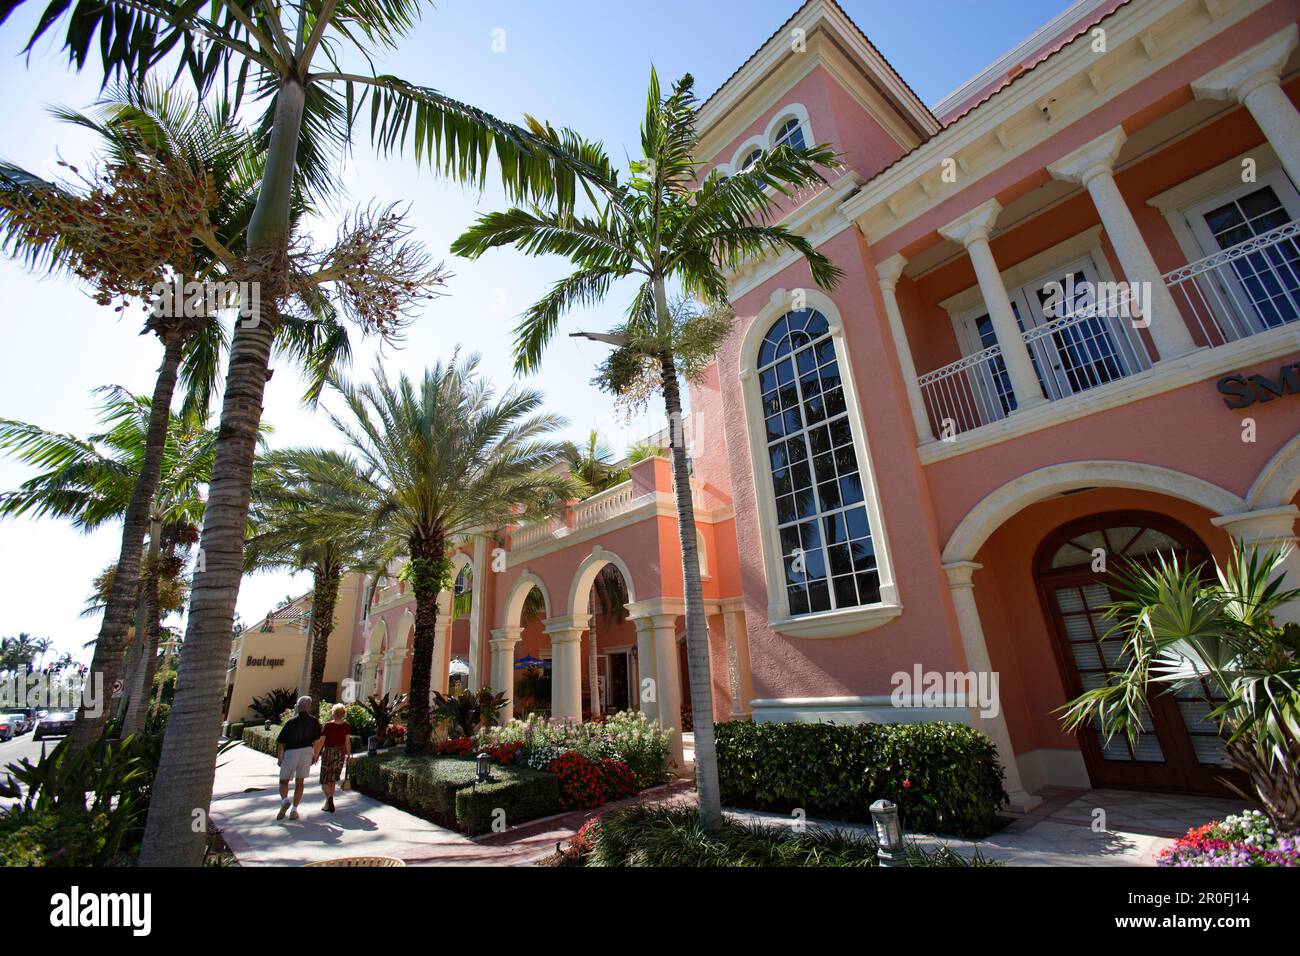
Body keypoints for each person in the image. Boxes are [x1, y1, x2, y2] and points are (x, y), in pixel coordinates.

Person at [276, 696, 323, 821]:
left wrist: (280, 757)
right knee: (300, 782)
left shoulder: (291, 722)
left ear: (298, 706)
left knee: (283, 781)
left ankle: (285, 800)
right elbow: (317, 741)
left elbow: (281, 742)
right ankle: (294, 809)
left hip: (291, 752)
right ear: (309, 707)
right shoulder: (314, 721)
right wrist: (315, 754)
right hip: (306, 752)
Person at [317, 703, 352, 812]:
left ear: (333, 713)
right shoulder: (346, 725)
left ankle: (329, 799)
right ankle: (329, 802)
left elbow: (321, 742)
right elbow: (347, 742)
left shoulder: (328, 725)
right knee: (332, 780)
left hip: (329, 752)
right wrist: (348, 755)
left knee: (324, 780)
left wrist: (315, 755)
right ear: (343, 714)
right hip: (340, 753)